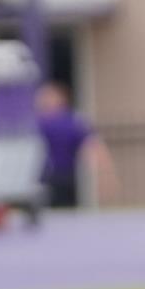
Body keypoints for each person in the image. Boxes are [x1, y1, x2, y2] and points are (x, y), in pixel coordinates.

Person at [34, 81, 98, 209]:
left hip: (64, 174)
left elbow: (91, 146)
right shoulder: (42, 122)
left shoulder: (69, 121)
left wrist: (101, 173)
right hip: (47, 176)